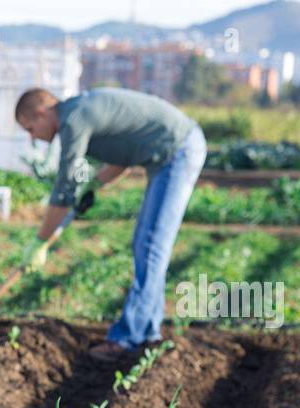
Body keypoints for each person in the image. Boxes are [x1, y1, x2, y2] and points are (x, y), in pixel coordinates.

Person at [14, 86, 206, 362]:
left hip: (178, 149)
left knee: (151, 244)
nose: (32, 137)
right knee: (147, 244)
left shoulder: (73, 119)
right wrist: (94, 185)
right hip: (172, 152)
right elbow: (123, 158)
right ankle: (147, 332)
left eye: (30, 128)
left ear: (43, 113)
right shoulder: (80, 112)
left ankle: (127, 338)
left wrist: (41, 241)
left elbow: (63, 189)